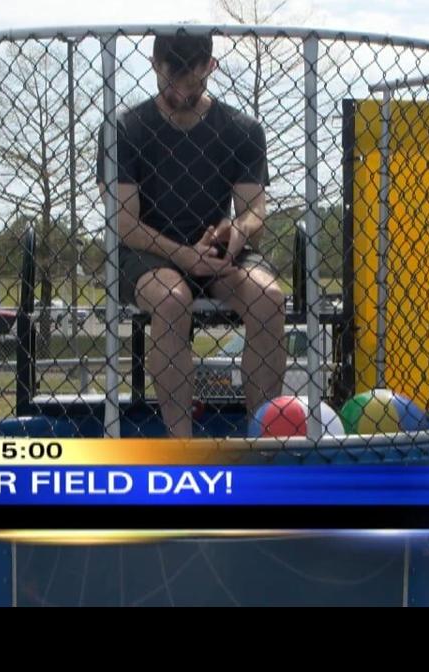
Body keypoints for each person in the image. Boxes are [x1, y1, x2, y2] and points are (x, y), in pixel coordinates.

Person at [97, 31, 287, 437]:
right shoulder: (124, 129)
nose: (182, 94)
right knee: (171, 300)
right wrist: (185, 256)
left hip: (217, 252)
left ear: (211, 68)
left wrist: (237, 230)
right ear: (154, 64)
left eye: (194, 84)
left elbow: (255, 210)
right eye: (172, 83)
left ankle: (263, 441)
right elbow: (123, 223)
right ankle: (182, 448)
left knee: (269, 298)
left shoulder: (242, 128)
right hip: (149, 252)